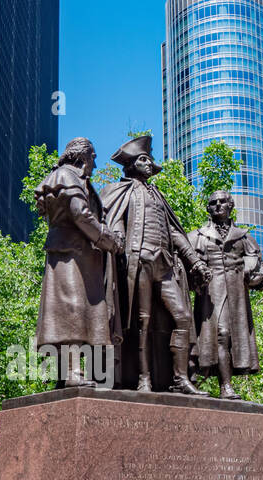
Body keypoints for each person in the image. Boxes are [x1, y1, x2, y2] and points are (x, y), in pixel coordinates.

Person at [101, 134, 211, 394]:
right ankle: (144, 378)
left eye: (150, 160)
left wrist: (194, 260)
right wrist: (117, 241)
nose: (149, 164)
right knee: (142, 322)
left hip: (164, 264)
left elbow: (174, 233)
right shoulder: (119, 191)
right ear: (130, 165)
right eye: (143, 159)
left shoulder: (159, 196)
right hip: (137, 262)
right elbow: (114, 221)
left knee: (182, 317)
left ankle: (180, 379)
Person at [34, 137, 125, 387]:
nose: (95, 165)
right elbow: (81, 215)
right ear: (83, 156)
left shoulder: (65, 176)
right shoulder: (67, 175)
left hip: (75, 254)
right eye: (93, 158)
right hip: (71, 253)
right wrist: (109, 240)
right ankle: (72, 373)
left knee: (72, 311)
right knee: (71, 310)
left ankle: (66, 376)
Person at [187, 190, 263, 400]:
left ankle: (221, 383)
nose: (218, 205)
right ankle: (224, 385)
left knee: (231, 337)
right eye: (213, 202)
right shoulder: (197, 236)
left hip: (236, 295)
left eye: (223, 202)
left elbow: (261, 266)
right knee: (220, 334)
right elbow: (186, 265)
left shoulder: (244, 236)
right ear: (208, 208)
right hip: (210, 295)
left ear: (231, 206)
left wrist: (259, 277)